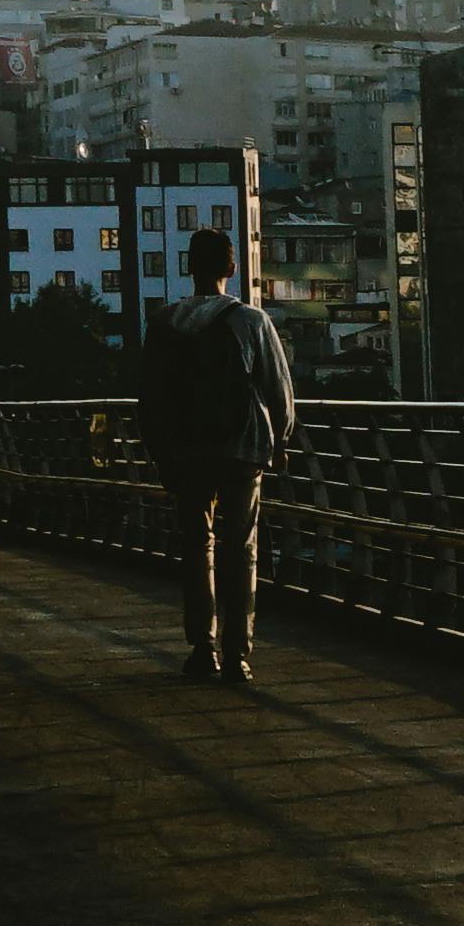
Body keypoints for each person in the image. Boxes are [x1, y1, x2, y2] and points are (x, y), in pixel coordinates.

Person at [140, 227, 298, 681]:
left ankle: (201, 649)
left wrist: (160, 453)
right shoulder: (250, 321)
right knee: (241, 549)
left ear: (188, 267)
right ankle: (237, 654)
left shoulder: (163, 322)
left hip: (186, 450)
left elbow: (150, 396)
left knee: (196, 547)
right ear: (232, 268)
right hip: (242, 448)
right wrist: (281, 442)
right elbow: (278, 391)